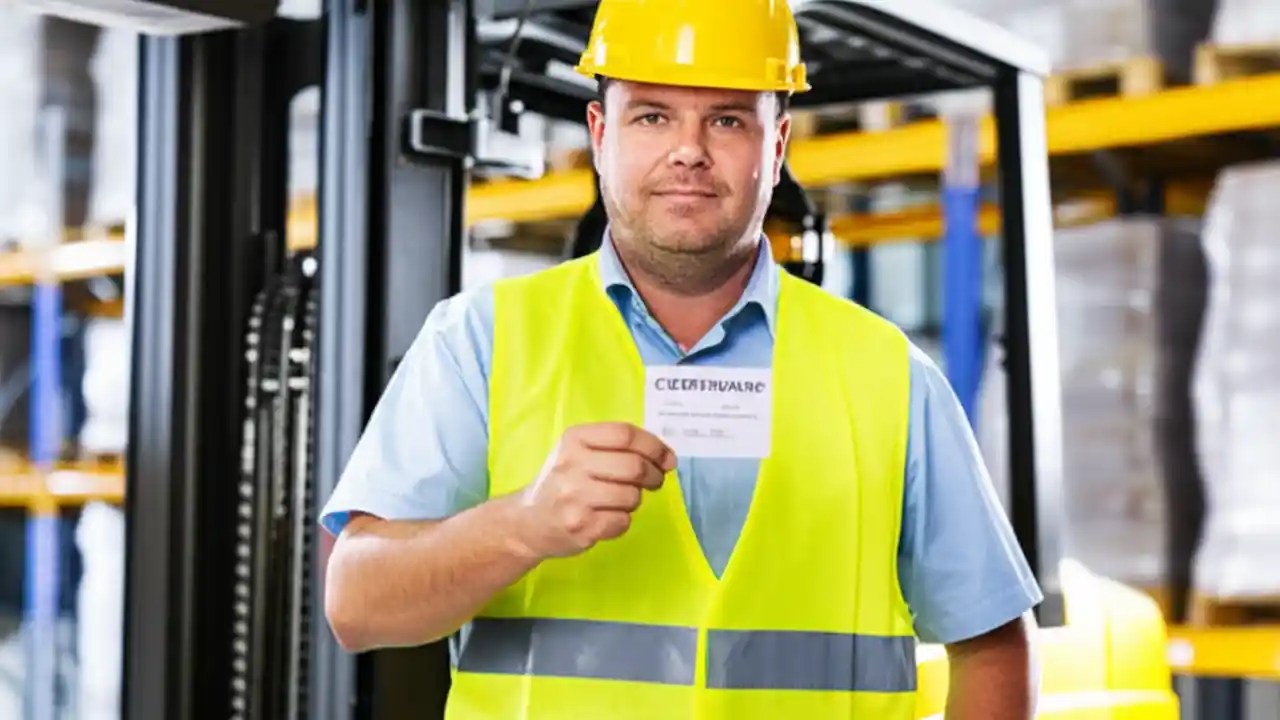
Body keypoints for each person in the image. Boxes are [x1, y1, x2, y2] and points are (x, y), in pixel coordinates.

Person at [321, 0, 1043, 717]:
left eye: (727, 119)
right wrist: (523, 523)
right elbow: (355, 604)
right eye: (652, 115)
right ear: (600, 134)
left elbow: (993, 645)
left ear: (779, 145)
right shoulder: (478, 341)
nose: (689, 149)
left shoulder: (887, 372)